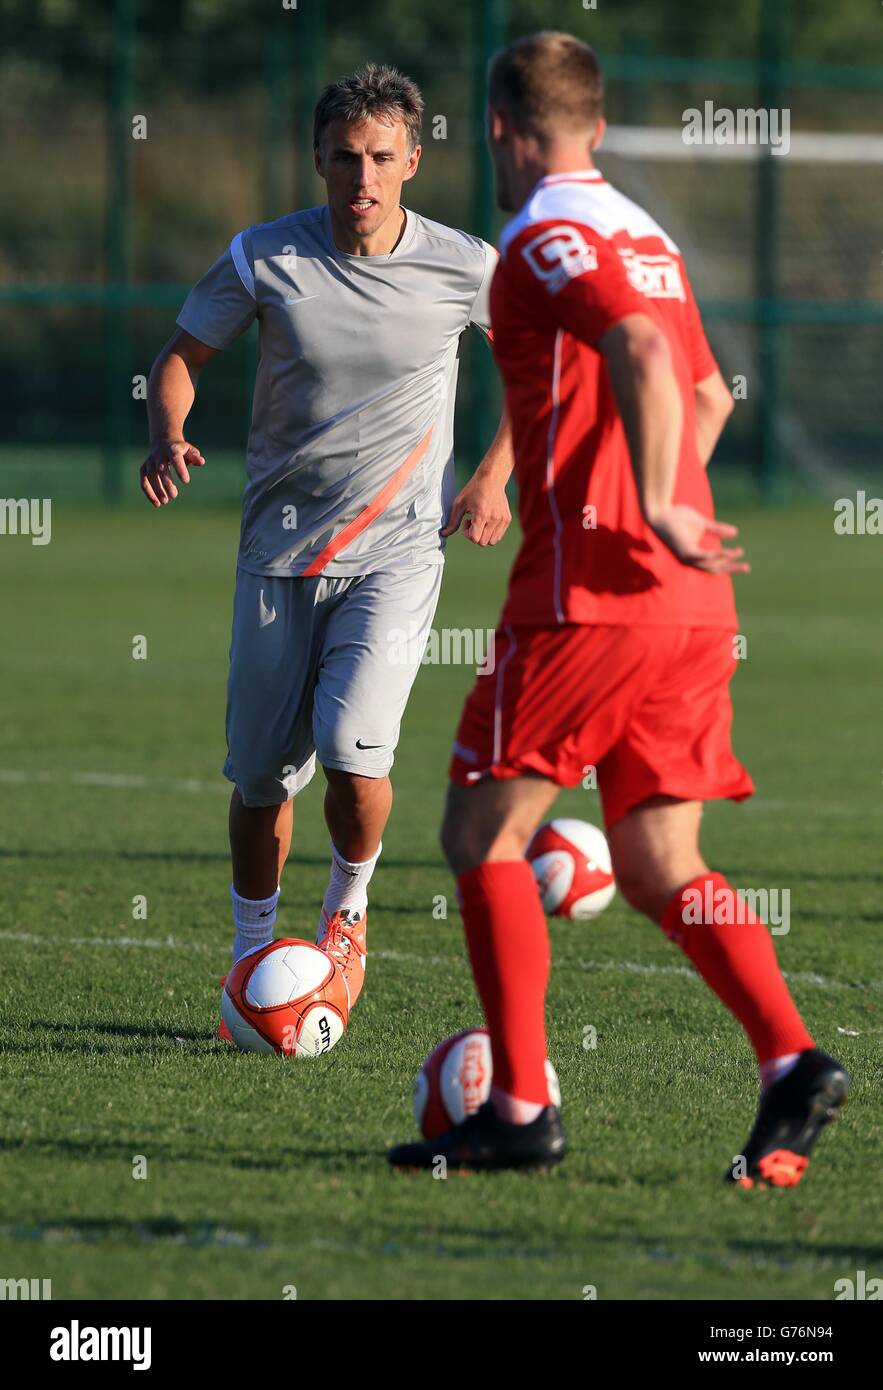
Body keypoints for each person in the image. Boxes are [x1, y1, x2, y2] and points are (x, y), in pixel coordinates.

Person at [388, 32, 849, 1184]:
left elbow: (644, 355)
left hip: (589, 598)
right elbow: (705, 390)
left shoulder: (541, 234)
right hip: (689, 605)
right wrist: (677, 513)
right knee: (653, 860)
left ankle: (524, 1109)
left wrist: (645, 503)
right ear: (594, 120)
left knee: (479, 835)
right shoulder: (644, 233)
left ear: (501, 128)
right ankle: (789, 1060)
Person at [141, 65, 513, 1022]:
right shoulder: (265, 256)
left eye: (382, 158)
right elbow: (181, 356)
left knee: (353, 750)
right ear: (317, 159)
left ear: (412, 162)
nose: (363, 176)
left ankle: (347, 914)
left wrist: (492, 473)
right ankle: (254, 947)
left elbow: (538, 363)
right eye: (345, 157)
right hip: (277, 553)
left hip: (398, 552)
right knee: (261, 775)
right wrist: (167, 430)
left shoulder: (464, 264)